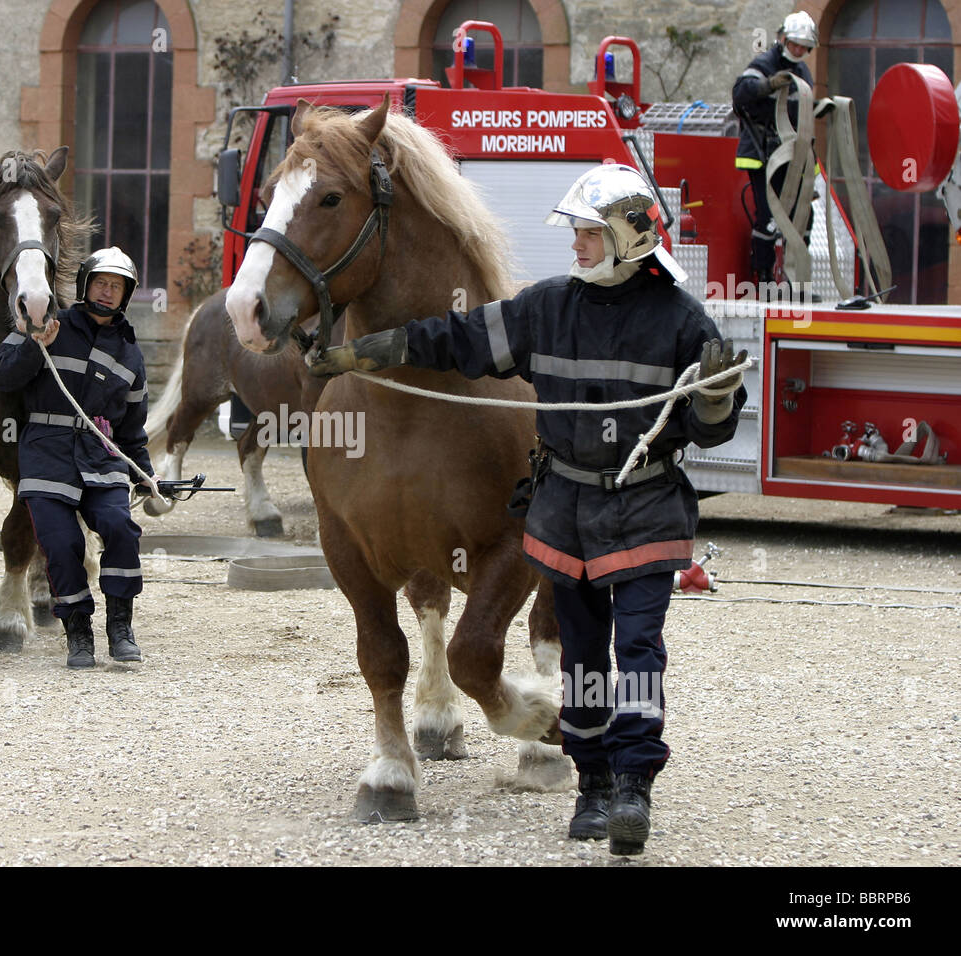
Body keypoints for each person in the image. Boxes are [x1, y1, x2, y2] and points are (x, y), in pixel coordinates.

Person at [307, 164, 746, 856]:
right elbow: (458, 339)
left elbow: (707, 428)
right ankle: (593, 785)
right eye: (575, 232)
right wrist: (367, 351)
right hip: (565, 513)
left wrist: (717, 399)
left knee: (636, 655)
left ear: (630, 238)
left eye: (589, 233)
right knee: (584, 664)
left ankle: (633, 785)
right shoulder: (548, 308)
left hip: (644, 513)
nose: (575, 244)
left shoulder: (681, 320)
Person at [0, 246, 154, 669]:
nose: (107, 291)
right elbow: (0, 375)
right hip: (47, 455)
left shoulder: (131, 354)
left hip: (102, 458)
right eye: (101, 282)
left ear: (126, 294)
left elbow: (132, 430)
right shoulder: (48, 323)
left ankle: (120, 627)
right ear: (84, 285)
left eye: (116, 286)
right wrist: (32, 344)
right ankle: (78, 632)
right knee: (62, 546)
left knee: (120, 528)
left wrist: (147, 478)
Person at [733, 11, 824, 286]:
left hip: (793, 156)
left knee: (803, 216)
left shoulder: (803, 70)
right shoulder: (764, 63)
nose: (798, 50)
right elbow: (740, 93)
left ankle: (797, 281)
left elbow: (799, 110)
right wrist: (768, 85)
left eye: (803, 46)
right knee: (769, 217)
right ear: (783, 38)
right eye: (794, 43)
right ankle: (763, 278)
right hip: (763, 155)